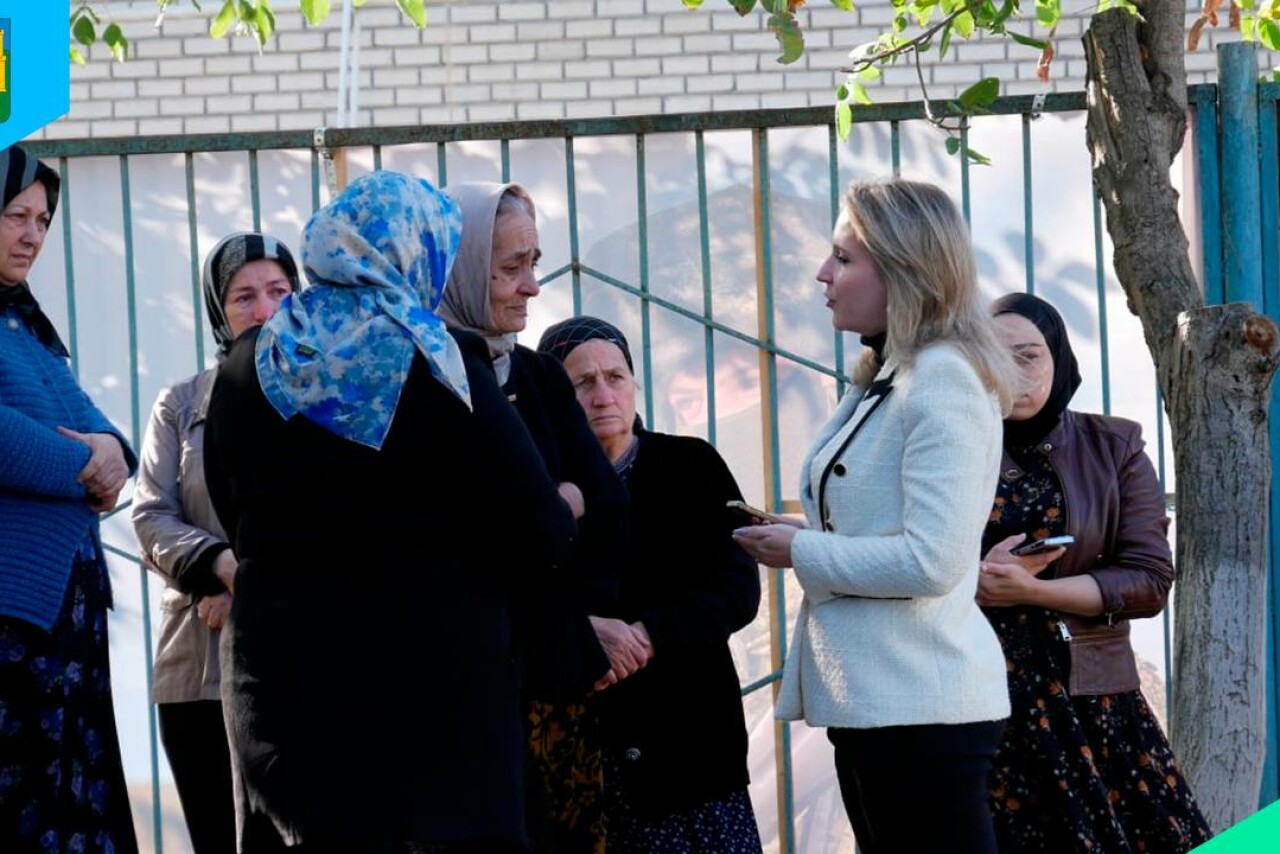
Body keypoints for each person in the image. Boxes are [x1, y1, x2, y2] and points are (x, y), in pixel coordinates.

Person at [201, 170, 577, 852]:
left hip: (282, 693)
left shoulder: (246, 363)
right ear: (420, 252)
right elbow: (543, 529)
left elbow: (231, 510)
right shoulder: (440, 360)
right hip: (433, 704)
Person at [731, 178, 1018, 853]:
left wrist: (800, 552)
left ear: (904, 271)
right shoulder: (889, 373)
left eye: (844, 258)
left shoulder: (942, 377)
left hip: (923, 709)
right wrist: (794, 534)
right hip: (881, 706)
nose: (823, 274)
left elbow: (933, 560)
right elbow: (882, 533)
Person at [977, 292, 1212, 852]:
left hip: (1089, 693)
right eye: (994, 356)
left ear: (1058, 357)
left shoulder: (1114, 445)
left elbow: (1149, 578)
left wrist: (1034, 589)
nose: (1014, 374)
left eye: (1029, 355)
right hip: (977, 694)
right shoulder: (953, 444)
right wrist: (975, 581)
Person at [440, 182, 629, 854]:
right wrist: (554, 503)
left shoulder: (541, 376)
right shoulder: (423, 376)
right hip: (458, 683)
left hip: (551, 676)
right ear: (457, 267)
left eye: (534, 262)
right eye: (511, 268)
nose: (533, 287)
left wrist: (554, 512)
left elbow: (604, 510)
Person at [537, 315, 764, 853]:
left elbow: (736, 586)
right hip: (581, 757)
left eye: (616, 377)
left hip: (689, 747)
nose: (603, 395)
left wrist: (645, 635)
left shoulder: (690, 464)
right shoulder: (539, 486)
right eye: (582, 383)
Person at [131, 232, 302, 854]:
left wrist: (254, 589)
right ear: (217, 310)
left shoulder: (328, 398)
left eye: (280, 292)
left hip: (299, 661)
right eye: (244, 297)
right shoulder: (180, 404)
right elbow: (151, 516)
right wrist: (223, 569)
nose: (265, 311)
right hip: (198, 666)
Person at [0, 144, 140, 852]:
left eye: (43, 219)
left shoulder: (24, 325)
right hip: (12, 627)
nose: (31, 234)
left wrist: (113, 451)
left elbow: (105, 428)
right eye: (14, 215)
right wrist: (89, 462)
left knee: (69, 806)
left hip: (62, 624)